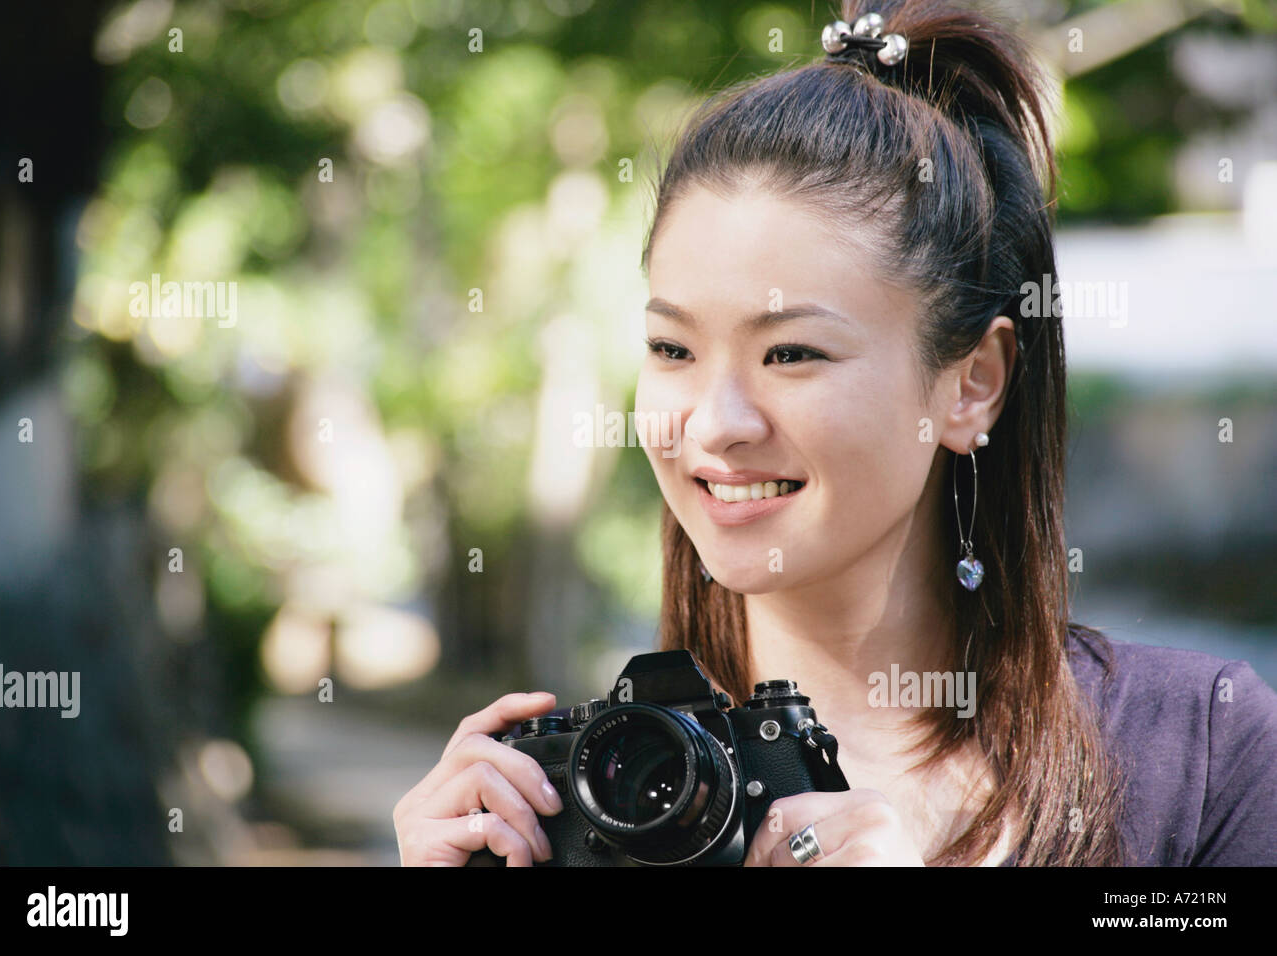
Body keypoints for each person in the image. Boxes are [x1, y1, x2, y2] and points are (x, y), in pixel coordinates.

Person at [393, 0, 1277, 866]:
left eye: (792, 354)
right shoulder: (599, 800)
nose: (715, 422)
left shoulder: (1201, 755)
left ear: (972, 385)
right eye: (672, 347)